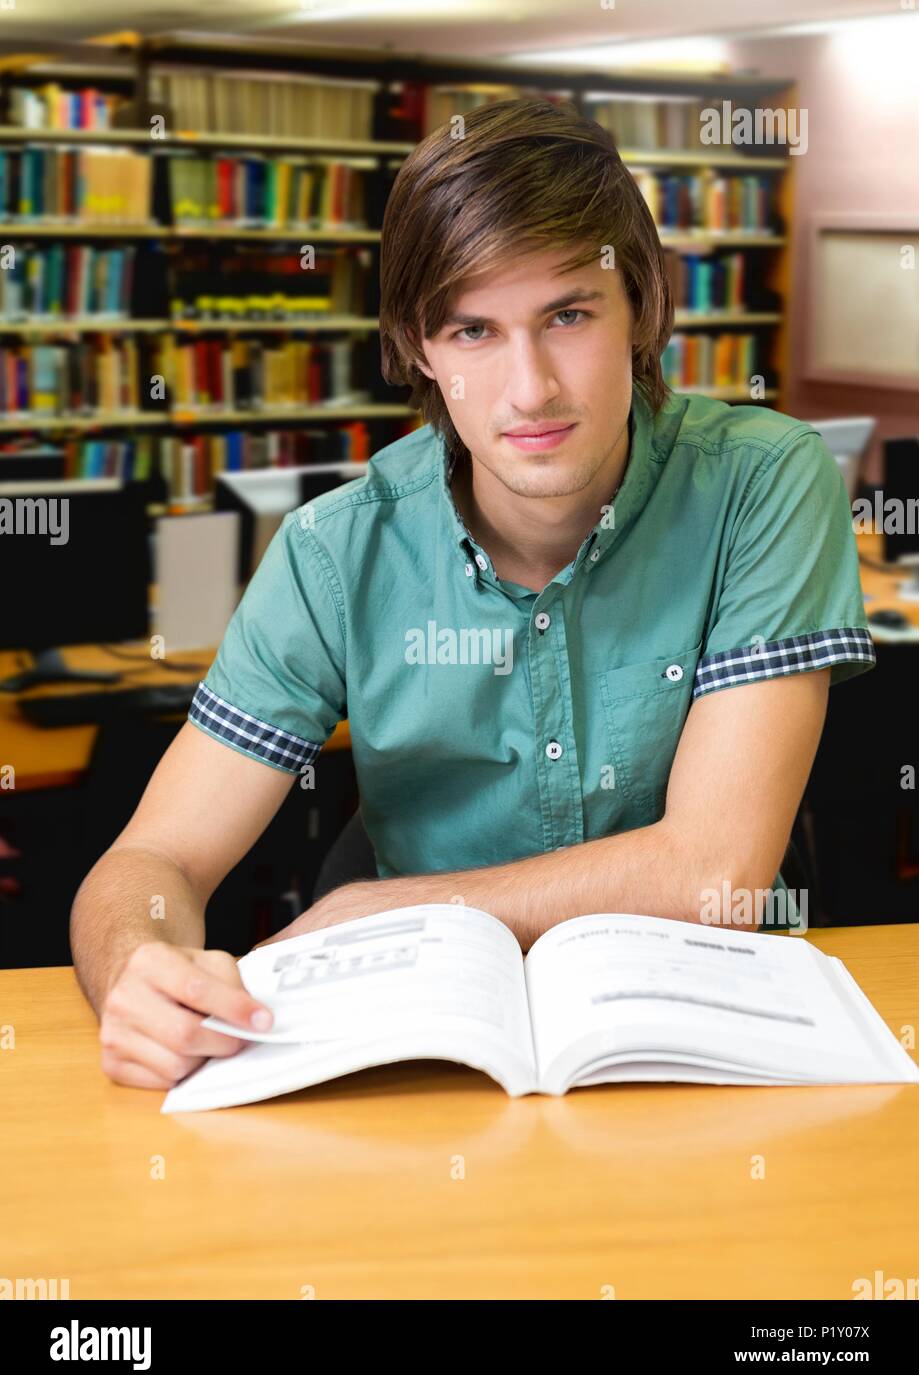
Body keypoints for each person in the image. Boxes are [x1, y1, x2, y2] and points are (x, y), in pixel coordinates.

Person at [70, 97, 874, 1090]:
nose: (529, 387)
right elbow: (156, 858)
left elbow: (711, 872)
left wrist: (407, 904)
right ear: (419, 347)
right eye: (473, 330)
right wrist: (136, 969)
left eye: (567, 315)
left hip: (705, 1027)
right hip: (425, 1043)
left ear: (644, 311)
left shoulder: (763, 479)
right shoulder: (334, 551)